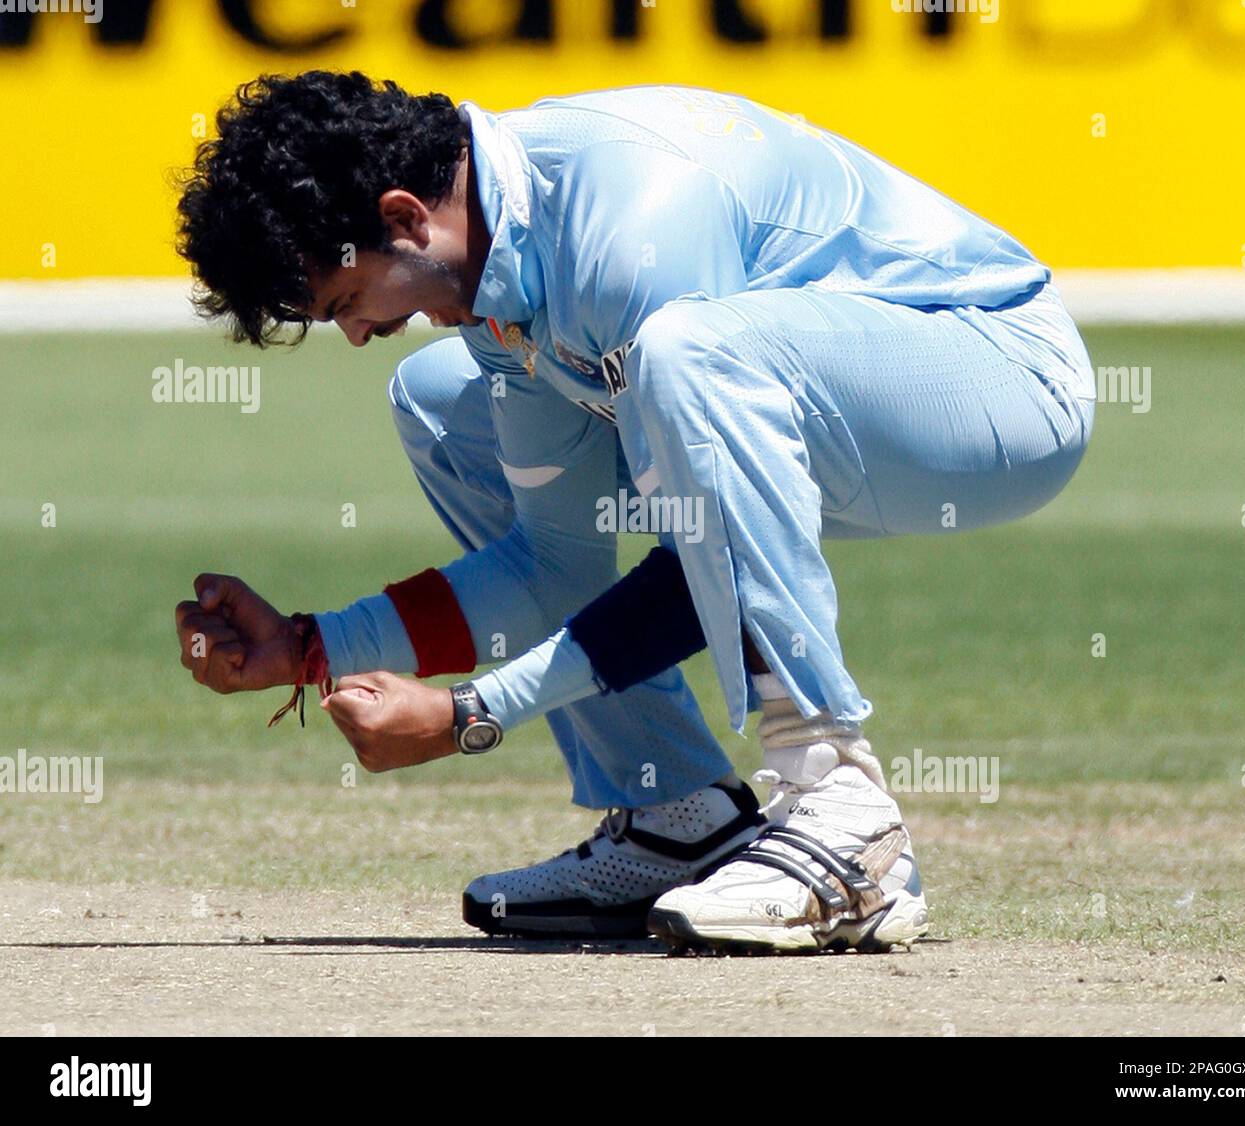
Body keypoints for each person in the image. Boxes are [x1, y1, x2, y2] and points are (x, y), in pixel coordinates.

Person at [174, 72, 1095, 954]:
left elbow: (697, 581)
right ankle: (677, 813)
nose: (358, 333)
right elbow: (552, 571)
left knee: (689, 354)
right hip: (835, 391)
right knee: (436, 399)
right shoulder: (500, 265)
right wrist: (310, 648)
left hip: (1000, 375)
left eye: (346, 302)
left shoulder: (627, 228)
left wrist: (470, 714)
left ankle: (844, 816)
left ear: (406, 219)